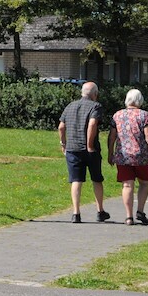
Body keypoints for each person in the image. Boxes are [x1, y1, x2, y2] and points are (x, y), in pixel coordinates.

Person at [58, 81, 110, 223]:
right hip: (90, 149)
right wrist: (89, 145)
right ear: (95, 94)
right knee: (96, 179)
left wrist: (63, 144)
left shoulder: (70, 106)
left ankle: (76, 213)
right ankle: (100, 211)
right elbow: (92, 123)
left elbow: (61, 127)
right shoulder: (95, 106)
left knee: (76, 180)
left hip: (73, 149)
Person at [107, 88, 148, 225]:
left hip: (123, 156)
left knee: (127, 185)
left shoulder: (117, 115)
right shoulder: (144, 115)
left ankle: (128, 217)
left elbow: (112, 137)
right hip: (142, 156)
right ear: (139, 100)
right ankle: (140, 211)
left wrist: (110, 154)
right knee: (145, 183)